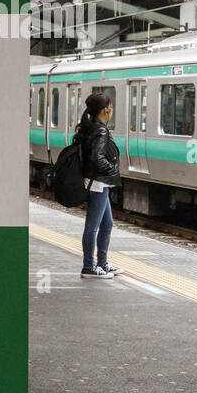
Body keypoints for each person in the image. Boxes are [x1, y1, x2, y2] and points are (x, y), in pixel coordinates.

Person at [74, 92, 125, 279]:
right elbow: (97, 158)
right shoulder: (101, 130)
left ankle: (102, 263)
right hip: (98, 182)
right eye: (110, 108)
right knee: (93, 226)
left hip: (98, 181)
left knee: (107, 224)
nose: (111, 112)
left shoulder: (93, 127)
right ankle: (89, 266)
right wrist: (111, 168)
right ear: (106, 110)